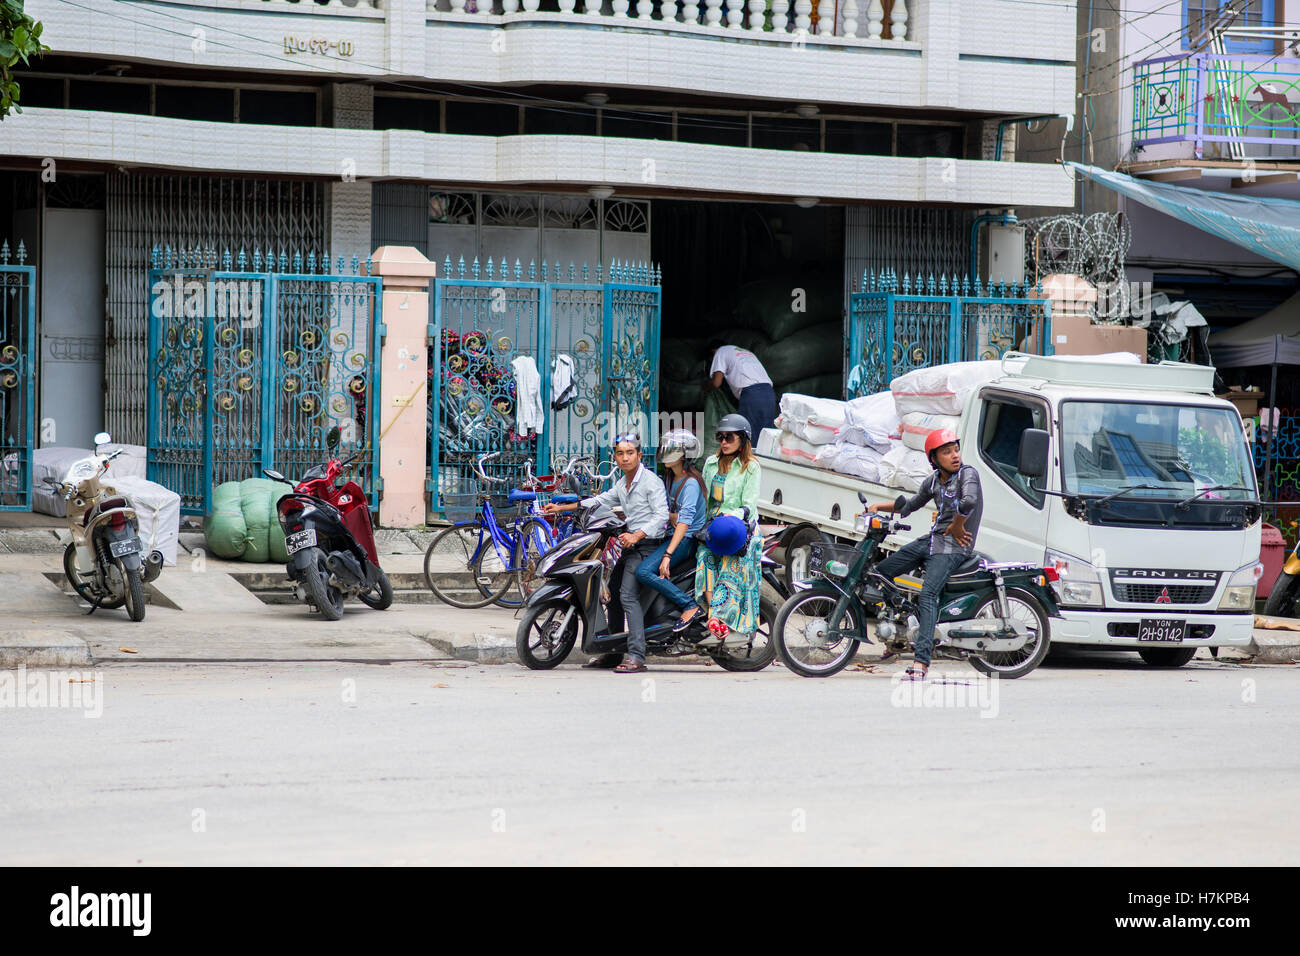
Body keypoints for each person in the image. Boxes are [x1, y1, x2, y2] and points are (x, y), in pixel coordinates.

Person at [543, 431, 667, 674]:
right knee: (614, 595)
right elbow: (599, 501)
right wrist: (562, 507)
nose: (625, 458)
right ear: (615, 458)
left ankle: (637, 655)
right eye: (620, 454)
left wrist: (637, 534)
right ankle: (613, 653)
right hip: (630, 547)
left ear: (639, 455)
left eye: (630, 453)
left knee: (628, 596)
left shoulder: (651, 482)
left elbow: (661, 516)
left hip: (648, 547)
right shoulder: (622, 484)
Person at [866, 429, 983, 681]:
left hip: (954, 546)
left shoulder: (967, 474)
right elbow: (910, 505)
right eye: (946, 452)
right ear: (934, 459)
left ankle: (921, 662)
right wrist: (879, 506)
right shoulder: (932, 482)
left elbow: (969, 502)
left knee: (928, 594)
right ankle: (903, 624)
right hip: (932, 541)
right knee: (880, 572)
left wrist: (958, 525)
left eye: (955, 449)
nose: (954, 456)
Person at [691, 414, 764, 644]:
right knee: (704, 558)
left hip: (739, 527)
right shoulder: (711, 464)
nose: (724, 441)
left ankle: (719, 617)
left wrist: (732, 516)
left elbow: (749, 505)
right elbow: (705, 500)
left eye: (729, 437)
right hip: (713, 528)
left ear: (743, 439)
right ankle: (713, 615)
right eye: (720, 437)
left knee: (729, 564)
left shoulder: (751, 467)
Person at [635, 429, 707, 627]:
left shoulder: (690, 483)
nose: (666, 453)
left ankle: (689, 605)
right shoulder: (668, 479)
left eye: (672, 450)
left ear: (684, 455)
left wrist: (667, 555)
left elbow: (684, 523)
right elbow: (662, 510)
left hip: (686, 539)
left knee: (643, 572)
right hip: (671, 535)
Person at [705, 340, 777, 442]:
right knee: (765, 439)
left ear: (713, 352)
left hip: (752, 394)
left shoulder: (720, 352)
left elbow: (716, 382)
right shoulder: (746, 353)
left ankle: (748, 458)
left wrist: (705, 387)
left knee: (746, 439)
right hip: (769, 393)